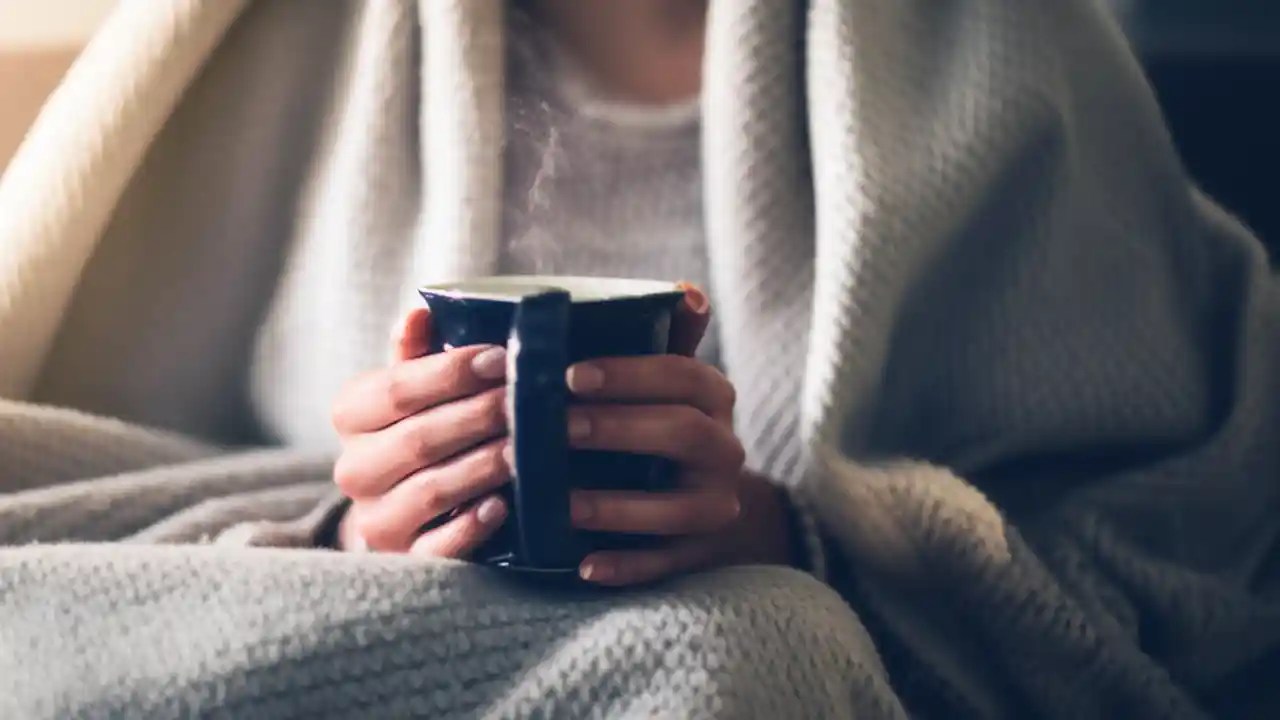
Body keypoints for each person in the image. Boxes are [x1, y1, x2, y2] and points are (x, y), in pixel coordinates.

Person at [1, 0, 1277, 717]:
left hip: (748, 671)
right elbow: (119, 472)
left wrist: (802, 542)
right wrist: (350, 526)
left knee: (743, 652)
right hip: (362, 632)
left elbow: (1171, 552)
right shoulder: (286, 30)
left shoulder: (1001, 46)